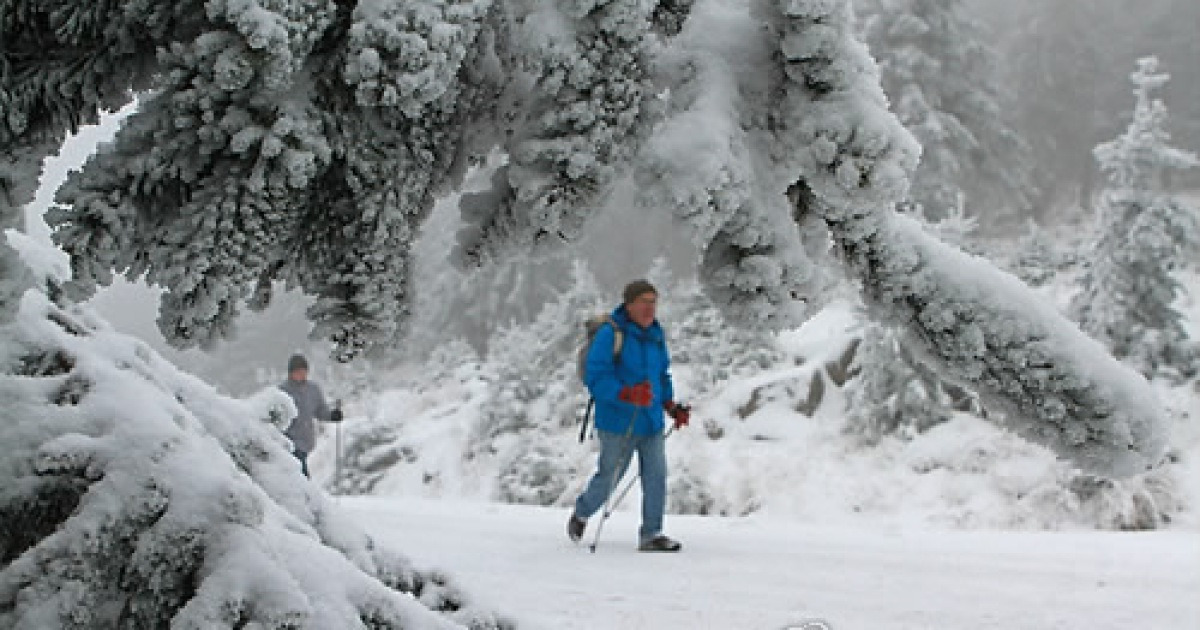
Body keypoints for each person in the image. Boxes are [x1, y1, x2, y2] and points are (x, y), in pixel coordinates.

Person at [568, 279, 691, 552]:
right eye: (644, 302)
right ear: (629, 304)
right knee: (610, 477)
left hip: (650, 423)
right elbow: (596, 377)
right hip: (616, 422)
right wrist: (626, 394)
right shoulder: (611, 334)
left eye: (653, 303)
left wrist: (672, 407)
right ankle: (582, 512)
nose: (650, 309)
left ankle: (651, 534)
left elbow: (662, 375)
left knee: (656, 476)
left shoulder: (656, 334)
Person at [279, 354, 341, 477]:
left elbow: (320, 411)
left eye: (303, 371)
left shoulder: (313, 389)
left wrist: (333, 416)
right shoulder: (283, 391)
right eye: (297, 371)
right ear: (291, 373)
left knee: (298, 474)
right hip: (289, 441)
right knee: (300, 474)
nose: (301, 374)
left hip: (306, 440)